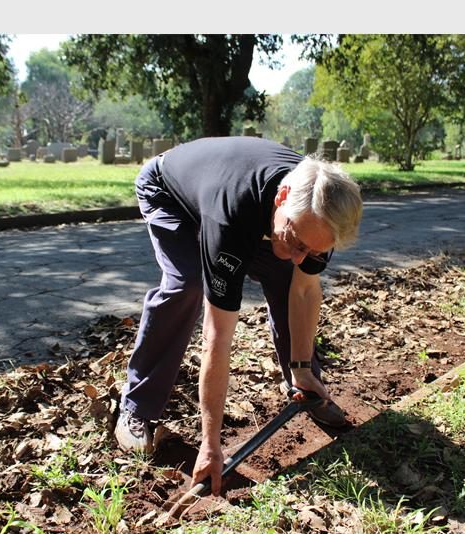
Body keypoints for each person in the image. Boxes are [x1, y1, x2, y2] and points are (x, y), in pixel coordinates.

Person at [115, 136, 363, 496]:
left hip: (254, 212)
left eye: (312, 248)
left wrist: (302, 366)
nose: (301, 255)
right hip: (169, 191)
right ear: (281, 199)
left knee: (287, 275)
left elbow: (305, 289)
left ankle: (305, 386)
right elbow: (217, 336)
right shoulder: (231, 215)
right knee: (187, 286)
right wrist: (210, 443)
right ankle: (136, 406)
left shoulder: (315, 220)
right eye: (296, 240)